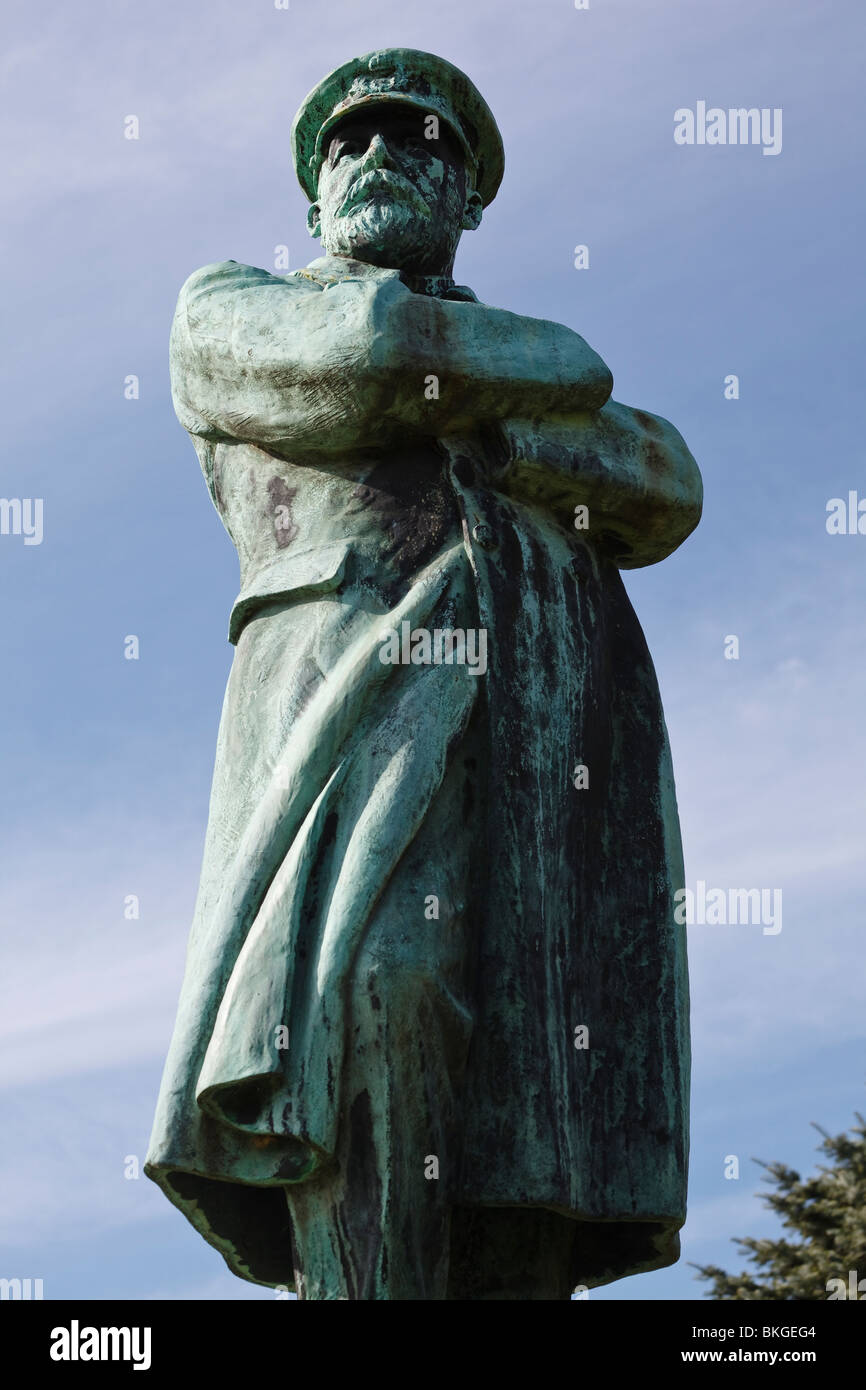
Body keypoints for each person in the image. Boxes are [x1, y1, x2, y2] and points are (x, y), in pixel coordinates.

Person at [145, 47, 702, 1300]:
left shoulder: (498, 370)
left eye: (423, 142)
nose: (382, 157)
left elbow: (662, 481)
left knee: (537, 1106)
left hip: (552, 763)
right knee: (375, 994)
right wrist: (537, 378)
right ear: (312, 195)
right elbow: (371, 350)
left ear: (468, 195)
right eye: (351, 142)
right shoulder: (229, 306)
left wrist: (476, 412)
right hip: (357, 718)